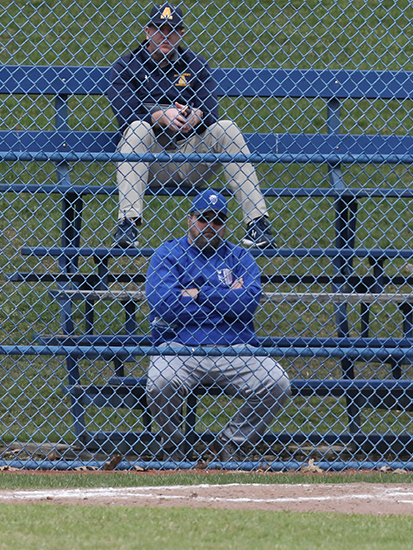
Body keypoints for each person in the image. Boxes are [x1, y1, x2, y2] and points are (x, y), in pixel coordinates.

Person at [108, 3, 275, 249]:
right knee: (136, 128)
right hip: (148, 162)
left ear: (182, 34)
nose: (166, 36)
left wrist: (195, 116)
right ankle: (128, 224)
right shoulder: (126, 66)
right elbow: (125, 115)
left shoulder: (195, 64)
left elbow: (211, 112)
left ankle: (257, 223)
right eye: (159, 29)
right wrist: (161, 116)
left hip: (190, 157)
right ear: (148, 31)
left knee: (227, 128)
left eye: (173, 30)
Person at [145, 189, 291, 463]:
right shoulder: (167, 254)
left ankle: (231, 443)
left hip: (235, 347)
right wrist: (225, 298)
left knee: (277, 382)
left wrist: (198, 293)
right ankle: (174, 448)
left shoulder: (240, 256)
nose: (211, 225)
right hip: (178, 346)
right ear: (190, 219)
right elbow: (164, 304)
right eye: (204, 218)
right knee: (160, 382)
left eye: (218, 220)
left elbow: (246, 304)